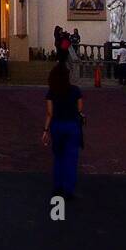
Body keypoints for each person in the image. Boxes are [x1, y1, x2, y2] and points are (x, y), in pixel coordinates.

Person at [43, 56, 85, 197]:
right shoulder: (75, 90)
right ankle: (69, 189)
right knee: (71, 158)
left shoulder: (51, 91)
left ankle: (58, 186)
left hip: (57, 125)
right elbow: (80, 110)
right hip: (72, 125)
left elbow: (50, 113)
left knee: (59, 157)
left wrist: (45, 130)